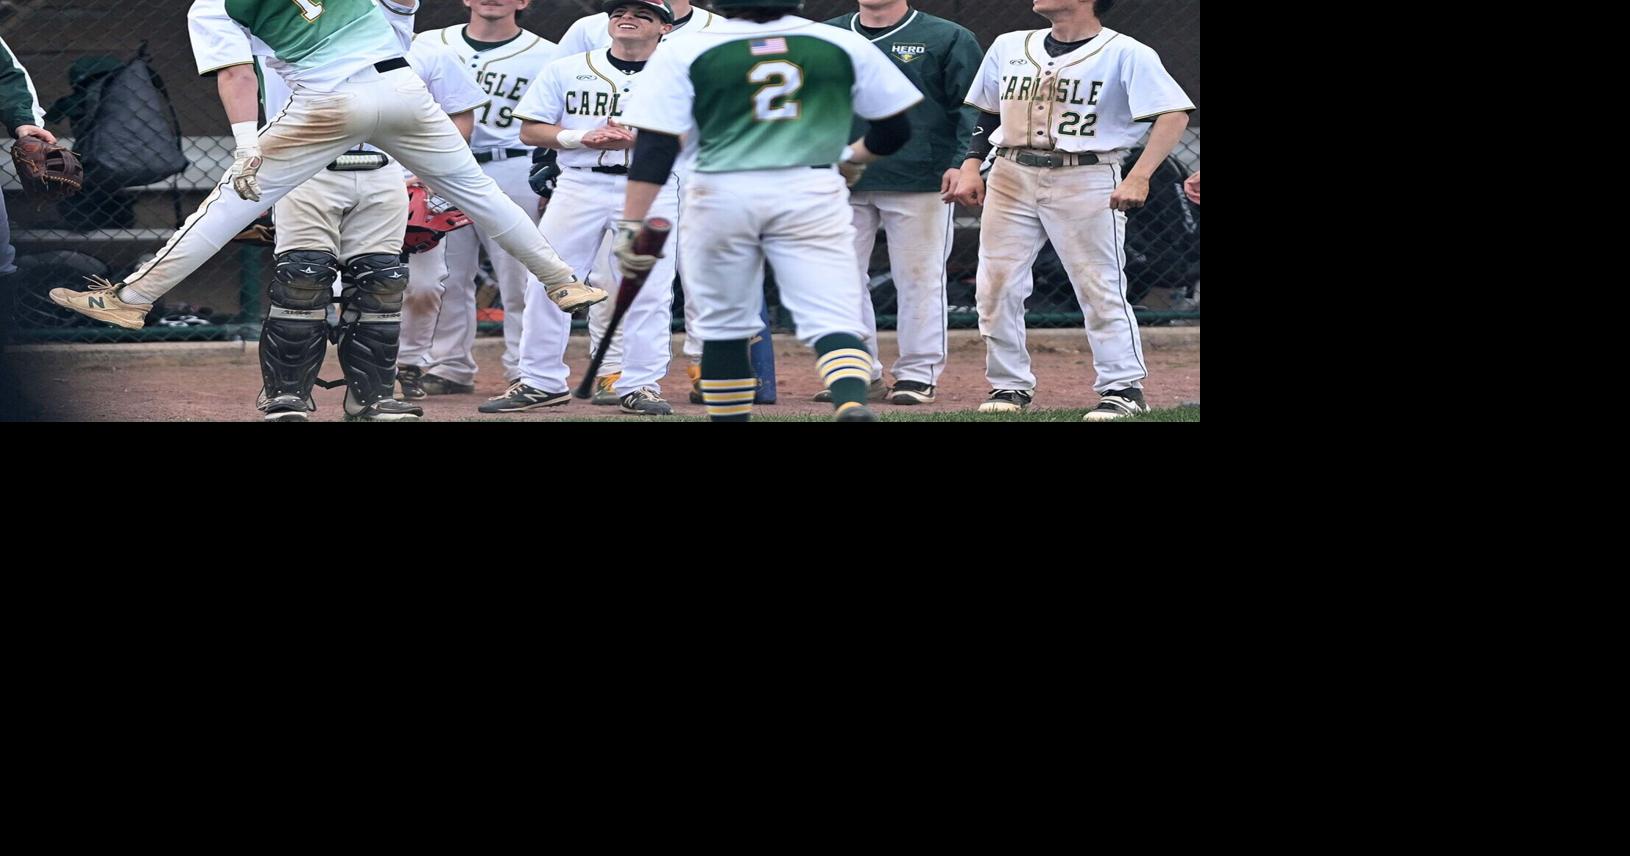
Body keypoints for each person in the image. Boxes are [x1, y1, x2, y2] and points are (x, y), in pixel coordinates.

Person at [47, 0, 606, 339]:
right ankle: (563, 283)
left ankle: (131, 299)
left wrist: (246, 144)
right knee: (482, 194)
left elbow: (237, 75)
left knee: (230, 204)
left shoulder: (211, 5)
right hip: (405, 90)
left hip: (328, 100)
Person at [615, 0, 922, 422]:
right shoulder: (839, 41)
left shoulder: (684, 47)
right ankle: (851, 400)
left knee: (724, 325)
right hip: (810, 188)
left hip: (721, 192)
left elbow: (655, 146)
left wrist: (633, 223)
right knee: (832, 316)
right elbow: (895, 130)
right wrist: (852, 157)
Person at [950, 0, 1192, 420]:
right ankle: (1008, 385)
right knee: (995, 286)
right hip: (1010, 172)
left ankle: (1122, 387)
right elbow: (987, 113)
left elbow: (1174, 114)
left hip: (1086, 173)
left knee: (1098, 284)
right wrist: (972, 165)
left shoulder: (1125, 51)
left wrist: (1141, 175)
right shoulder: (1009, 45)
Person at [254, 0, 488, 422]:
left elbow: (455, 118)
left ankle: (372, 397)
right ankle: (286, 396)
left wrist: (429, 173)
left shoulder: (413, 47)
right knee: (301, 279)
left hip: (385, 172)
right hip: (305, 170)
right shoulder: (284, 38)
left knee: (381, 285)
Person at [486, 0, 679, 414]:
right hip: (579, 184)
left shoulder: (682, 73)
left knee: (648, 288)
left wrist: (642, 142)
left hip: (653, 185)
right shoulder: (567, 67)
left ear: (665, 28)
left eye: (642, 15)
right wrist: (579, 137)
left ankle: (640, 384)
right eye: (619, 12)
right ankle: (539, 381)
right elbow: (530, 130)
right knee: (550, 280)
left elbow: (703, 137)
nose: (627, 18)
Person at [819, 0, 982, 406]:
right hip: (840, 175)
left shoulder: (948, 36)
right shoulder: (826, 33)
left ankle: (917, 374)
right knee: (836, 282)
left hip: (921, 176)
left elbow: (974, 105)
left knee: (919, 278)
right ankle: (857, 372)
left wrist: (962, 161)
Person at [400, 0, 564, 398]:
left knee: (520, 277)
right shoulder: (427, 43)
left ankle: (526, 370)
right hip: (438, 168)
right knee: (447, 276)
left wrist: (550, 174)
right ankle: (450, 366)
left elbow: (559, 115)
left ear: (525, 2)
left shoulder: (550, 54)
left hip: (512, 166)